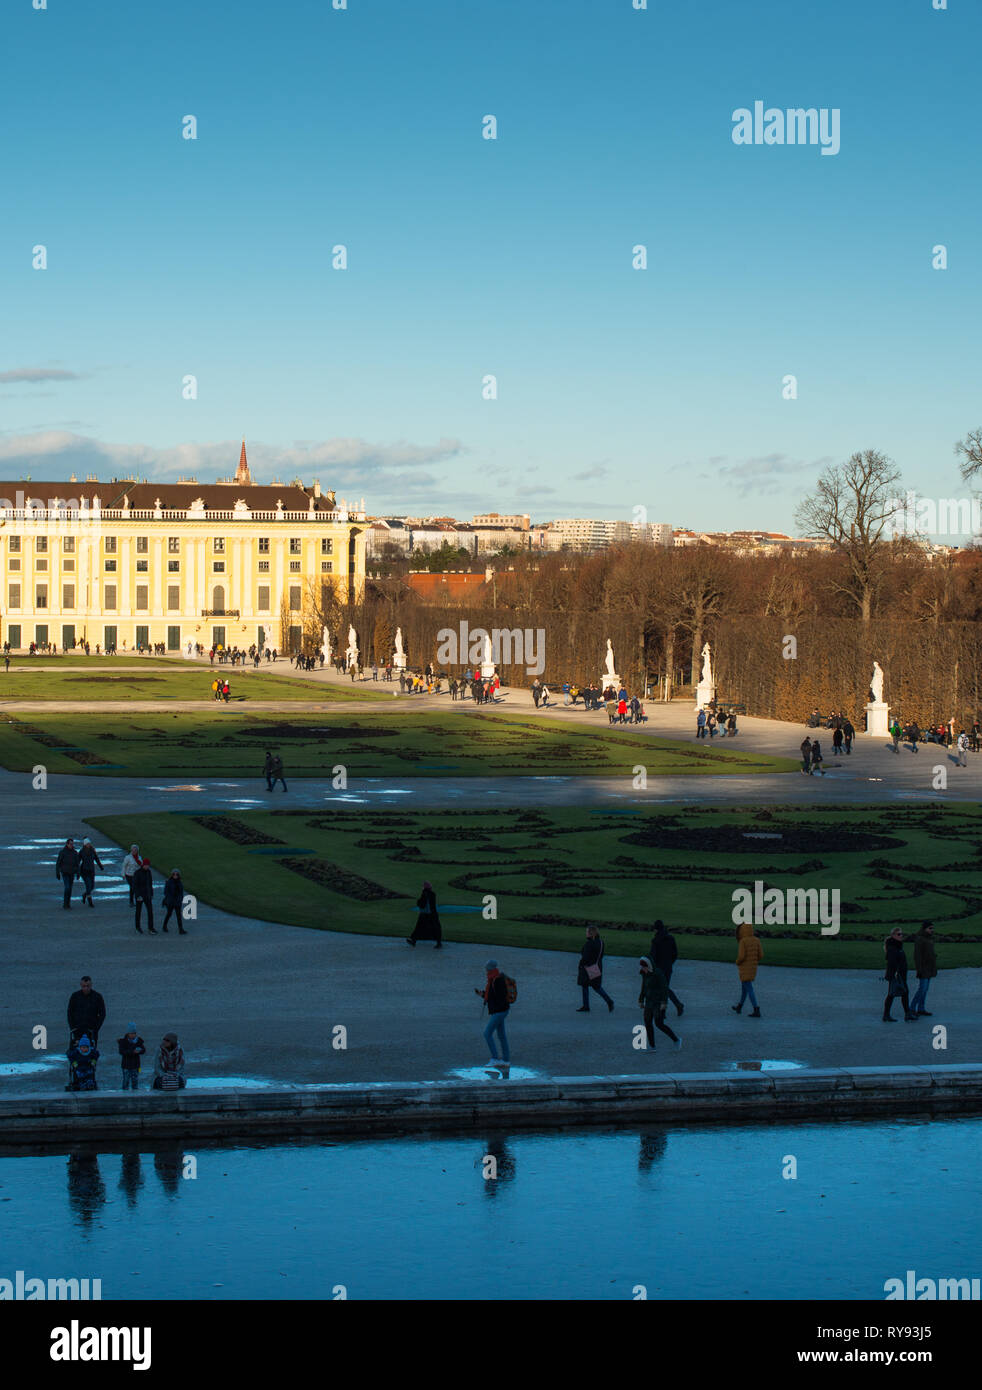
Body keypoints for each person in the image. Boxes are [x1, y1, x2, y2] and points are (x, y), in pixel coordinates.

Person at [637, 957, 681, 1050]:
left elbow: (664, 989)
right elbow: (643, 987)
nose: (642, 969)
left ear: (648, 966)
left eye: (644, 967)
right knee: (647, 1022)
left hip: (658, 1002)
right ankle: (652, 1046)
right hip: (649, 1002)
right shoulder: (644, 974)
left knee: (659, 1024)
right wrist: (641, 999)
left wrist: (664, 1002)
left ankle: (676, 1040)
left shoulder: (658, 974)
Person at [475, 961, 510, 1067]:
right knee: (501, 1035)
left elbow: (497, 996)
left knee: (487, 1033)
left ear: (490, 969)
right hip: (502, 1010)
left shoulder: (496, 980)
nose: (486, 970)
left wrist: (486, 997)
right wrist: (482, 994)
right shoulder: (495, 979)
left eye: (487, 968)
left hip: (499, 1011)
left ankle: (495, 1058)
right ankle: (506, 1060)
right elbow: (492, 995)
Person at [576, 925, 614, 1012]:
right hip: (597, 966)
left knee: (585, 985)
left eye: (587, 932)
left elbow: (585, 957)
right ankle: (609, 1001)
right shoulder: (601, 942)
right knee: (596, 986)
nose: (586, 933)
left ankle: (586, 1006)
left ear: (590, 933)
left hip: (588, 967)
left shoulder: (589, 943)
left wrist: (581, 964)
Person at [650, 919, 683, 1016]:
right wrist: (670, 963)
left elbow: (653, 956)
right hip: (668, 967)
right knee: (664, 988)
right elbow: (675, 954)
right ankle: (667, 1009)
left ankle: (674, 1006)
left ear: (656, 929)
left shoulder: (655, 940)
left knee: (661, 989)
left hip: (659, 968)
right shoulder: (671, 938)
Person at [883, 927, 915, 1021]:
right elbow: (892, 963)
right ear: (893, 935)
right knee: (892, 994)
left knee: (903, 993)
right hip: (896, 975)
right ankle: (887, 1015)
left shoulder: (898, 946)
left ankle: (906, 1014)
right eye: (898, 934)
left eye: (901, 934)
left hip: (900, 974)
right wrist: (895, 974)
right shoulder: (892, 947)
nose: (901, 936)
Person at [732, 922, 763, 1016]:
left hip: (744, 968)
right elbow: (761, 955)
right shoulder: (757, 940)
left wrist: (737, 962)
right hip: (753, 968)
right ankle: (739, 1006)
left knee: (749, 989)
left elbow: (741, 957)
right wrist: (753, 961)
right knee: (745, 988)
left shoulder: (743, 941)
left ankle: (756, 1009)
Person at [68, 976, 106, 1046]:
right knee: (75, 1050)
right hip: (77, 1030)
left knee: (92, 1050)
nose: (86, 988)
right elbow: (70, 1013)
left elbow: (102, 1014)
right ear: (81, 985)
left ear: (91, 985)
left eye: (88, 986)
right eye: (84, 986)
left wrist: (96, 1028)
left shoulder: (97, 997)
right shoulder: (75, 996)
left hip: (91, 1031)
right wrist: (72, 1028)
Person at [910, 923, 937, 1017]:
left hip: (929, 967)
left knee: (925, 990)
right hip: (924, 968)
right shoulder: (920, 939)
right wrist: (919, 969)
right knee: (922, 989)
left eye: (932, 928)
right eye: (930, 928)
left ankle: (921, 1008)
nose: (932, 930)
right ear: (924, 929)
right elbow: (917, 956)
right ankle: (912, 1008)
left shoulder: (929, 938)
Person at [406, 880, 442, 948]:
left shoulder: (424, 894)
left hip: (425, 914)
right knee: (435, 928)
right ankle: (438, 943)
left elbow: (422, 904)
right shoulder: (433, 894)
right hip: (433, 914)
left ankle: (413, 940)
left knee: (419, 927)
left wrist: (418, 902)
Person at [117, 1025, 146, 1090]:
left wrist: (139, 1051)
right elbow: (121, 1051)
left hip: (136, 1065)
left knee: (135, 1081)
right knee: (125, 1081)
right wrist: (132, 1052)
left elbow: (144, 1050)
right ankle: (125, 1094)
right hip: (126, 1065)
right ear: (128, 1033)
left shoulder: (139, 1041)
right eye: (131, 1033)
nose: (133, 1035)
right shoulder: (123, 1041)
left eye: (134, 1033)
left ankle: (135, 1093)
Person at [77, 837, 104, 907]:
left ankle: (84, 894)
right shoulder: (82, 851)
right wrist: (78, 872)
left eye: (89, 843)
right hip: (84, 871)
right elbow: (78, 861)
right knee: (88, 886)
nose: (89, 845)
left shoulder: (92, 851)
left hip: (91, 870)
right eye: (87, 844)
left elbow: (96, 859)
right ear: (85, 844)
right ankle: (90, 902)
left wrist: (100, 866)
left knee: (92, 886)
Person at [133, 858, 157, 934]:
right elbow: (135, 885)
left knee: (150, 911)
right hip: (140, 895)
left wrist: (151, 893)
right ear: (143, 865)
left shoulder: (148, 872)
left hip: (147, 895)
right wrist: (138, 895)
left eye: (148, 865)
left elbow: (150, 884)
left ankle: (151, 928)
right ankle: (138, 927)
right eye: (146, 865)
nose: (147, 866)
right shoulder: (137, 873)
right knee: (138, 912)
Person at [55, 837, 79, 909]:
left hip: (72, 873)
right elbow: (58, 863)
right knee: (67, 887)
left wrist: (78, 873)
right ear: (67, 844)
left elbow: (77, 864)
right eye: (70, 844)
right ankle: (65, 903)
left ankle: (68, 903)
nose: (71, 845)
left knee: (70, 888)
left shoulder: (75, 853)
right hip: (65, 872)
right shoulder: (62, 852)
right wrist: (57, 873)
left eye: (72, 844)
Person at [161, 869, 188, 934]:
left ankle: (180, 929)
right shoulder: (169, 882)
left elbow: (181, 892)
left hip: (177, 901)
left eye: (176, 874)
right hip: (171, 901)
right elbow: (166, 892)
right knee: (169, 914)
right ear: (172, 875)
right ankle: (164, 926)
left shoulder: (179, 883)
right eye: (174, 874)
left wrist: (180, 899)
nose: (175, 875)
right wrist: (170, 899)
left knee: (178, 916)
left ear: (178, 875)